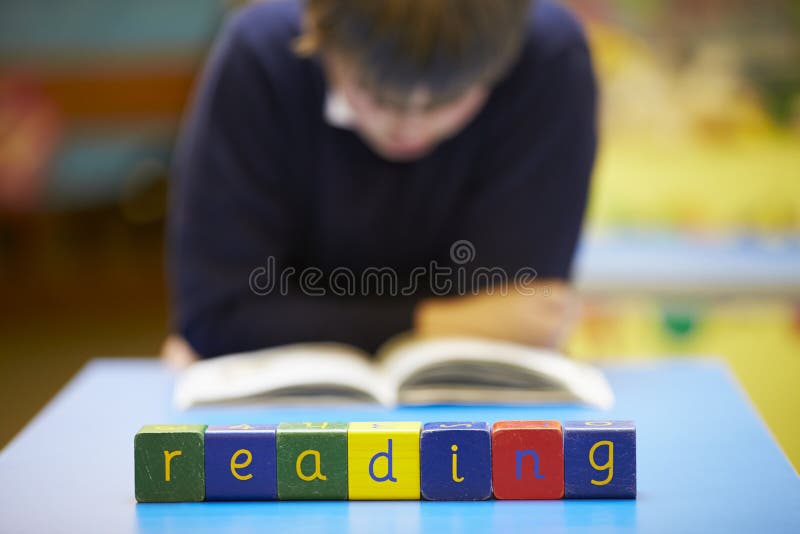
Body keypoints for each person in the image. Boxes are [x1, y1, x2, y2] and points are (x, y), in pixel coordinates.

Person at [167, 0, 597, 362]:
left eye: (449, 99)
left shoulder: (549, 60)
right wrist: (436, 323)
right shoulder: (261, 55)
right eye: (377, 96)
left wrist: (288, 322)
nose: (411, 126)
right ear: (318, 29)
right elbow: (216, 317)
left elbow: (518, 315)